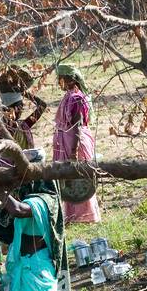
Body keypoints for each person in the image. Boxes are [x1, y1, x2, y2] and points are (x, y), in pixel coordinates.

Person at [52, 64, 101, 223]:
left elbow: (78, 125)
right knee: (68, 179)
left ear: (71, 79)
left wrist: (74, 150)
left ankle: (85, 217)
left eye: (62, 79)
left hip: (76, 142)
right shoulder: (68, 96)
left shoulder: (77, 98)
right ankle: (73, 216)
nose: (60, 83)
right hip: (66, 142)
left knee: (80, 176)